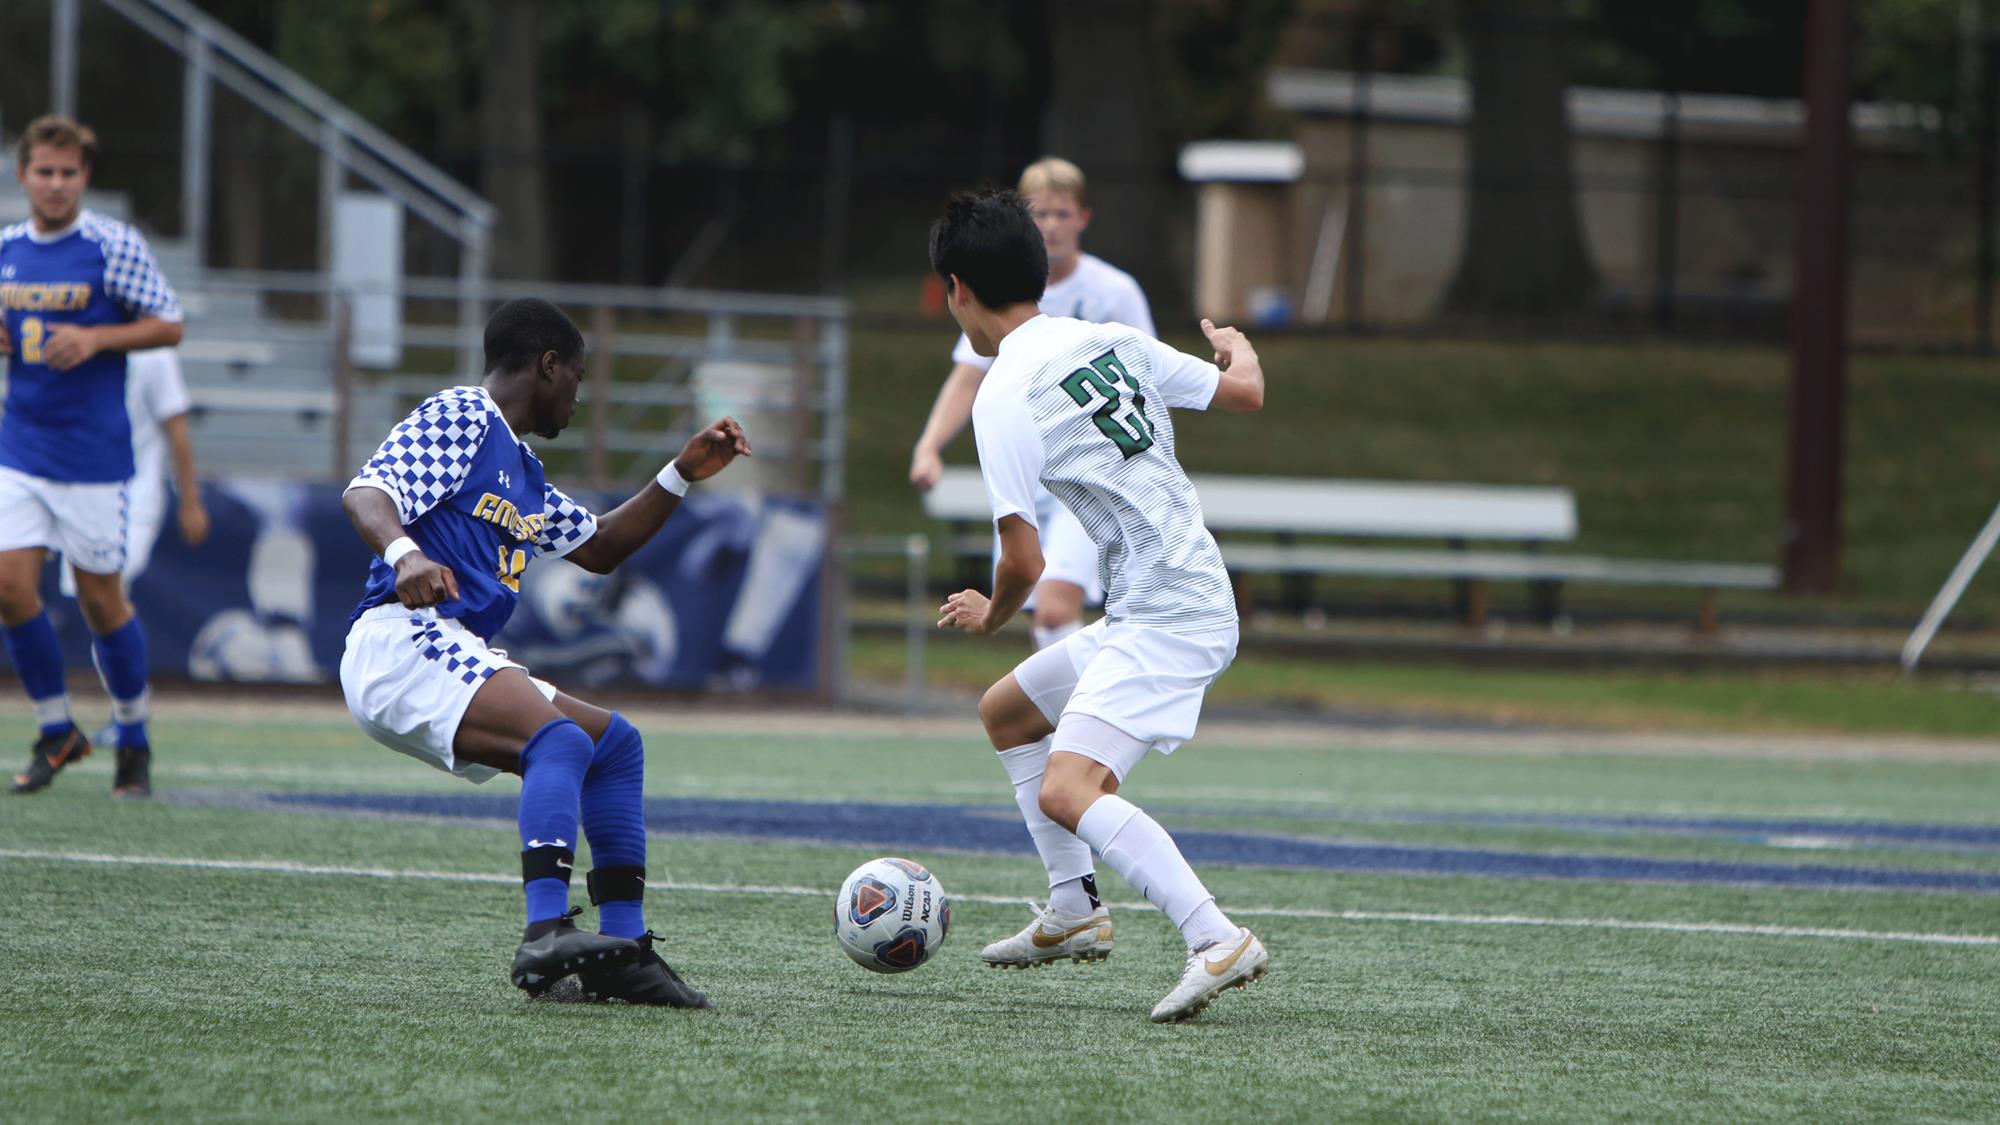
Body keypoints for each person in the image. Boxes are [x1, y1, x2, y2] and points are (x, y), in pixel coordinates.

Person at [339, 297, 750, 1006]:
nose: (577, 395)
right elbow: (367, 490)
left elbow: (601, 545)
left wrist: (680, 472)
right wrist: (405, 554)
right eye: (577, 377)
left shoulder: (521, 467)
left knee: (614, 743)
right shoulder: (465, 415)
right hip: (400, 640)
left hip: (445, 644)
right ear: (547, 364)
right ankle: (545, 932)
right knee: (555, 740)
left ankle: (621, 948)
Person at [929, 190, 1270, 1023]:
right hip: (1168, 596)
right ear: (1040, 273)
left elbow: (1023, 559)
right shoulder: (1109, 339)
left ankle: (1215, 936)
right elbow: (1245, 394)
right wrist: (1238, 347)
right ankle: (1074, 910)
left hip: (1169, 616)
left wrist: (991, 614)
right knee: (1008, 710)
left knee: (1065, 787)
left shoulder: (1003, 393)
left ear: (955, 290)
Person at [1, 115, 184, 797]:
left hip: (92, 459)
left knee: (103, 603)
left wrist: (96, 339)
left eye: (68, 172)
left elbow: (169, 322)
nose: (55, 184)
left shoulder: (112, 244)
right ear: (23, 176)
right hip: (19, 445)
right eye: (43, 171)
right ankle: (57, 729)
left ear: (85, 177)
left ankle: (133, 735)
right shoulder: (7, 249)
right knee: (10, 585)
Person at [910, 157, 1154, 651]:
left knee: (1056, 606)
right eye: (1040, 214)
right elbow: (968, 377)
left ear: (1083, 218)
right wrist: (930, 446)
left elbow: (1145, 382)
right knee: (1043, 620)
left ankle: (1092, 718)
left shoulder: (1114, 293)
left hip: (1089, 477)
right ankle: (1076, 722)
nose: (1052, 226)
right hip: (1030, 479)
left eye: (1062, 214)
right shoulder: (1000, 288)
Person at [60, 347, 211, 760]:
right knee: (98, 607)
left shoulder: (153, 354)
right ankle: (126, 709)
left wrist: (190, 499)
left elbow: (176, 426)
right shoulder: (82, 342)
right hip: (84, 496)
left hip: (135, 500)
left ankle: (129, 714)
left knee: (110, 601)